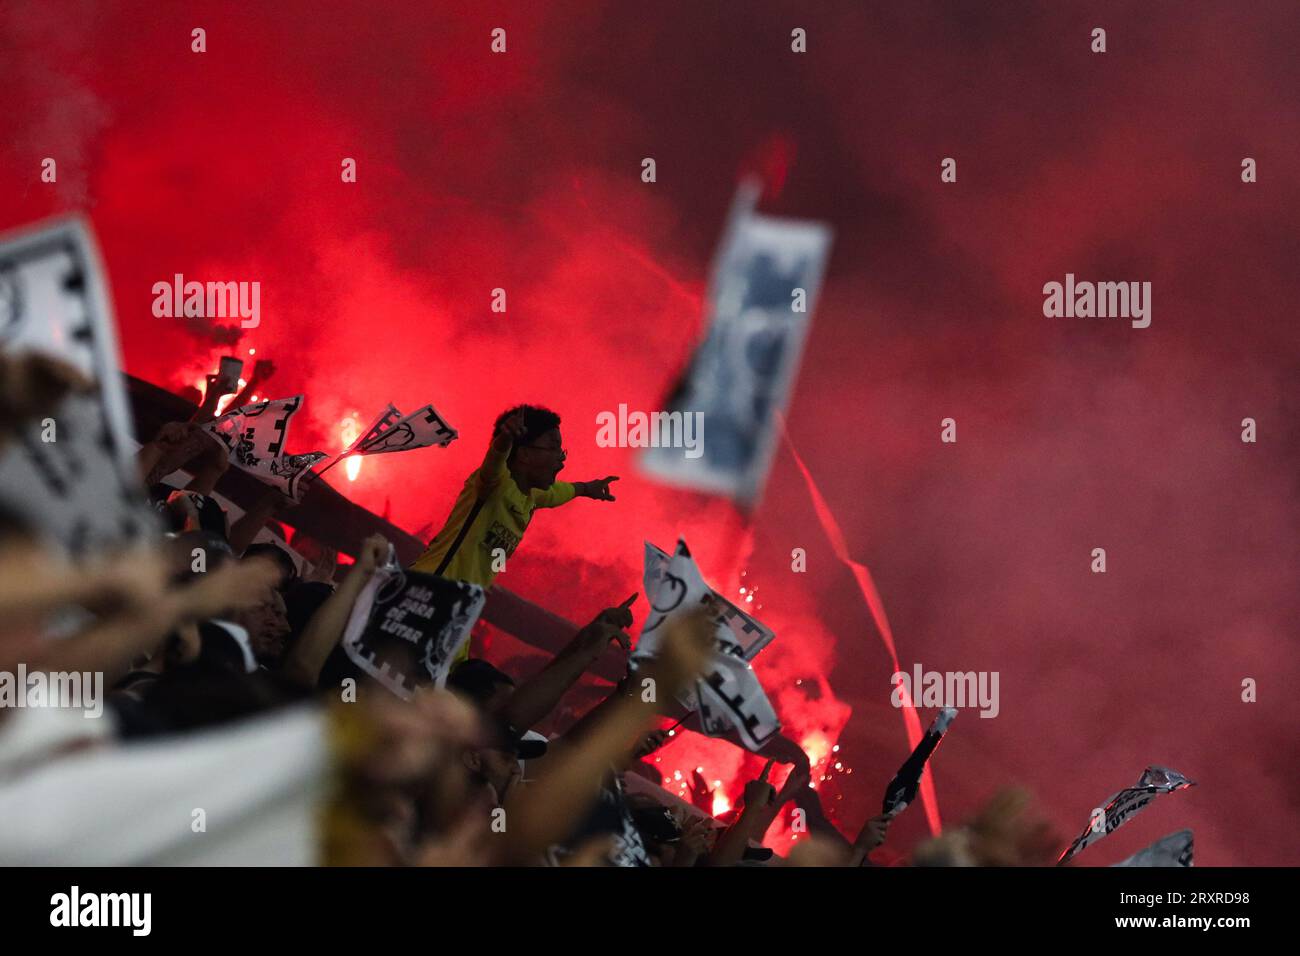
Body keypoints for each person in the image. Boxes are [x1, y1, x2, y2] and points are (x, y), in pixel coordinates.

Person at [410, 404, 618, 660]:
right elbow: (494, 461)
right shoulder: (494, 484)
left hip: (458, 617)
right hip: (424, 596)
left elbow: (559, 492)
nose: (561, 458)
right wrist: (504, 440)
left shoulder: (531, 496)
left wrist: (588, 488)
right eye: (553, 448)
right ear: (524, 454)